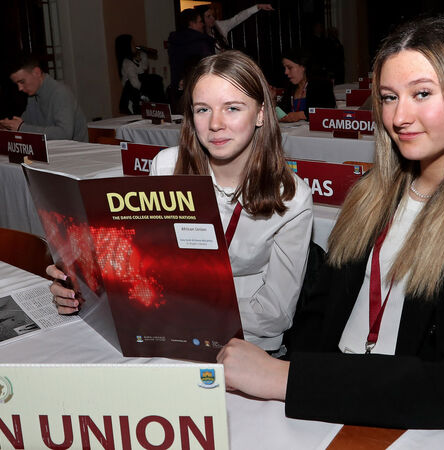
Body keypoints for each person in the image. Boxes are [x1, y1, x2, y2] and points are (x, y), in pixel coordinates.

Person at [217, 17, 444, 449]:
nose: (399, 117)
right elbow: (320, 317)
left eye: (422, 94)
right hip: (325, 412)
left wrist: (286, 378)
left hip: (424, 430)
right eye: (387, 97)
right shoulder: (370, 195)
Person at [49, 51, 313, 352]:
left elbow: (276, 313)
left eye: (232, 108)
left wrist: (180, 306)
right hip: (167, 331)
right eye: (202, 109)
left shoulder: (292, 198)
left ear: (262, 113)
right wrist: (81, 284)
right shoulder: (166, 168)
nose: (215, 124)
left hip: (246, 344)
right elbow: (143, 262)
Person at [0, 53, 88, 142]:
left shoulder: (60, 92)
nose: (20, 88)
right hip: (55, 152)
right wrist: (8, 127)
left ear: (37, 72)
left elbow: (64, 134)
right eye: (17, 84)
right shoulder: (33, 95)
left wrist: (21, 127)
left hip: (72, 155)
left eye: (22, 82)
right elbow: (27, 124)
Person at [167, 9, 215, 110]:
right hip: (199, 90)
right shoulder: (200, 43)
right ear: (191, 24)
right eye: (200, 21)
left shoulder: (174, 41)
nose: (203, 24)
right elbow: (210, 67)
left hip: (178, 90)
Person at [277, 49, 336, 122]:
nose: (286, 72)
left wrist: (300, 115)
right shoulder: (290, 86)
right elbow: (283, 112)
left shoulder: (322, 85)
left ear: (303, 67)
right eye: (285, 68)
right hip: (293, 132)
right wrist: (272, 100)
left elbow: (327, 111)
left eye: (289, 68)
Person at [114, 34, 164, 114]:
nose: (135, 45)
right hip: (133, 96)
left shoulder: (133, 59)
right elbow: (134, 83)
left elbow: (144, 68)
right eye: (132, 43)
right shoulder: (127, 62)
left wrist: (143, 54)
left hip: (139, 92)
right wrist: (147, 91)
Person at [197, 3, 274, 53]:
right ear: (200, 19)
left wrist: (258, 6)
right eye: (208, 16)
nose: (212, 18)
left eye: (213, 15)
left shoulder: (219, 26)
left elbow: (238, 18)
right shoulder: (196, 34)